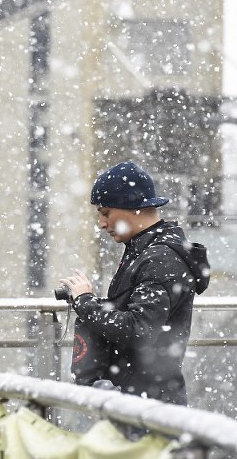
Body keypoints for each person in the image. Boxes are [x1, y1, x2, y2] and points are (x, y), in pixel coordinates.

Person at [59, 161, 209, 406]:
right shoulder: (144, 251)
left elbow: (139, 330)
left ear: (133, 208)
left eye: (106, 212)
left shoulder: (159, 259)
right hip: (139, 399)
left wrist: (86, 302)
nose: (101, 223)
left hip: (148, 406)